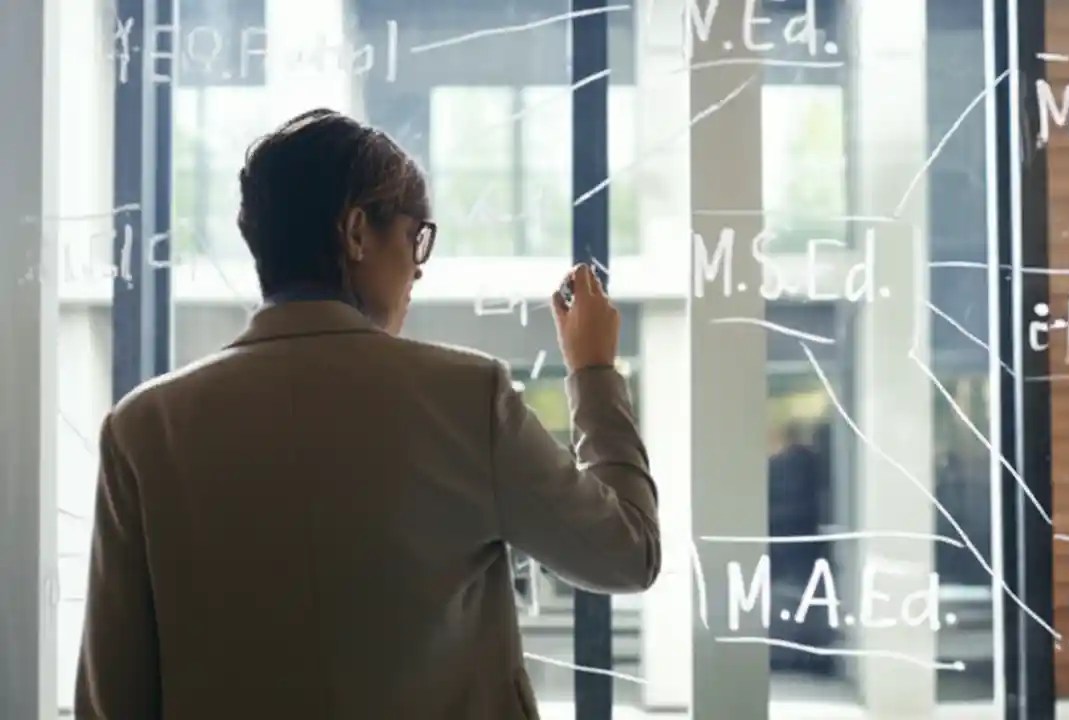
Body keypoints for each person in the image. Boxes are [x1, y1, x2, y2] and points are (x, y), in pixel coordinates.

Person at [74, 108, 661, 720]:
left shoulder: (143, 427)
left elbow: (112, 696)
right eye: (415, 237)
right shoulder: (464, 398)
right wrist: (593, 373)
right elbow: (627, 553)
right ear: (356, 232)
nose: (418, 266)